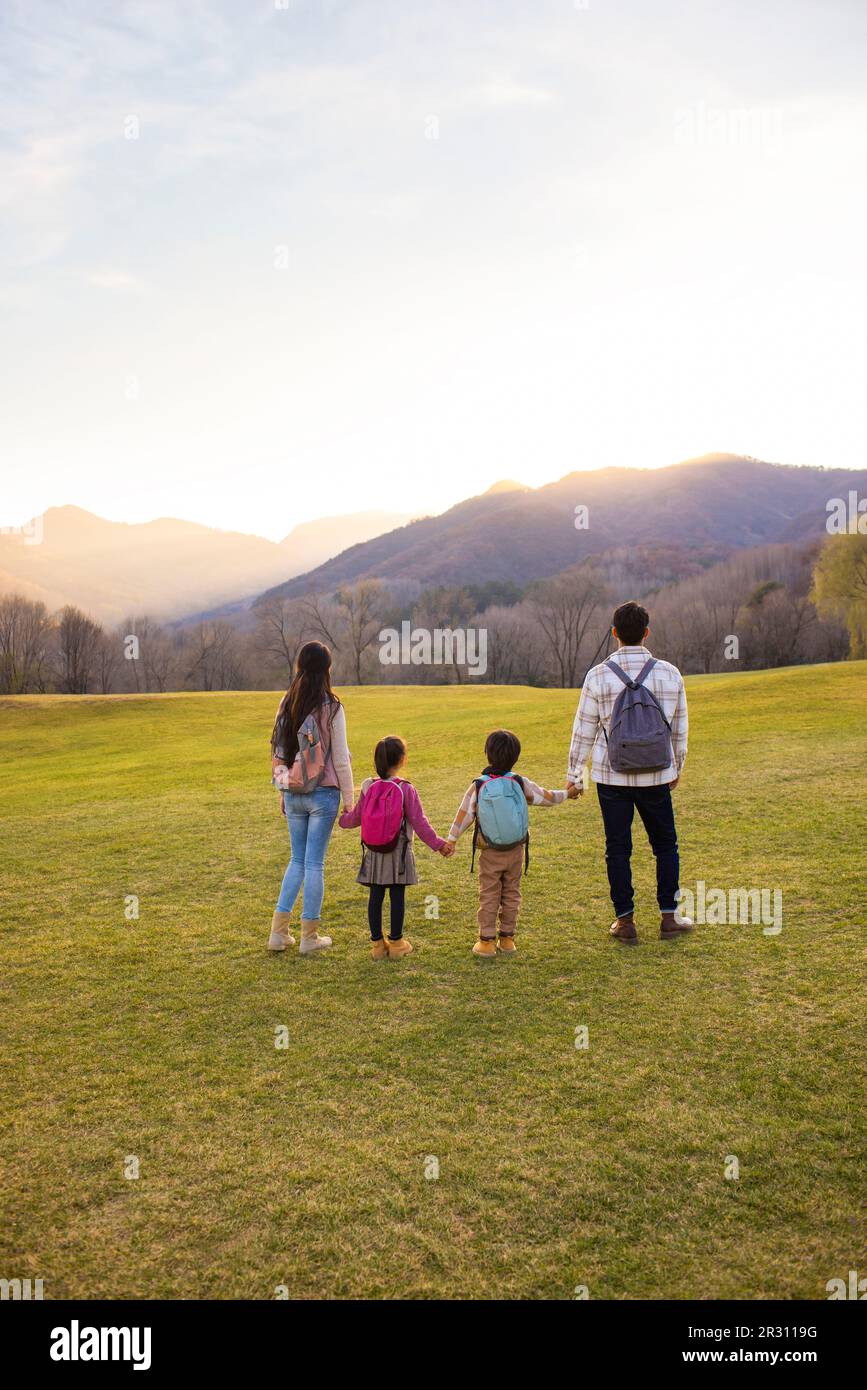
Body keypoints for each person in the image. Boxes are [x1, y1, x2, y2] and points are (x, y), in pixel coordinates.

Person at [567, 600, 692, 944]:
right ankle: (669, 917)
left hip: (612, 778)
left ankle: (625, 922)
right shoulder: (669, 673)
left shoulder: (598, 675)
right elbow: (679, 729)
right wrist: (676, 767)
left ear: (614, 634)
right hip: (656, 776)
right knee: (665, 845)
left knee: (618, 848)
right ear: (646, 633)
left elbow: (584, 730)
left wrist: (575, 776)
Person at [446, 729, 578, 957]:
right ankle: (507, 939)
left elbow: (464, 814)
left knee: (489, 894)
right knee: (512, 893)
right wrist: (568, 793)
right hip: (516, 850)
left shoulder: (479, 785)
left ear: (487, 753)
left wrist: (451, 840)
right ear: (515, 756)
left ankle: (486, 942)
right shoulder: (518, 781)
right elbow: (545, 797)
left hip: (490, 853)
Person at [268, 641, 354, 955]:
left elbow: (280, 750)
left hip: (293, 791)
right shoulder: (332, 705)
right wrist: (349, 799)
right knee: (314, 864)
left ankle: (278, 934)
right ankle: (309, 938)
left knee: (296, 861)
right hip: (324, 794)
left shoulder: (286, 702)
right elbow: (341, 758)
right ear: (327, 669)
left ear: (300, 666)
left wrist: (284, 789)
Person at [339, 735, 453, 959]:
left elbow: (355, 818)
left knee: (376, 896)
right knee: (397, 896)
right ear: (402, 760)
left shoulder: (368, 785)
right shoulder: (406, 789)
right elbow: (420, 823)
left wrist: (342, 818)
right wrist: (439, 845)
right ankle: (397, 943)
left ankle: (377, 947)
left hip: (373, 852)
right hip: (398, 853)